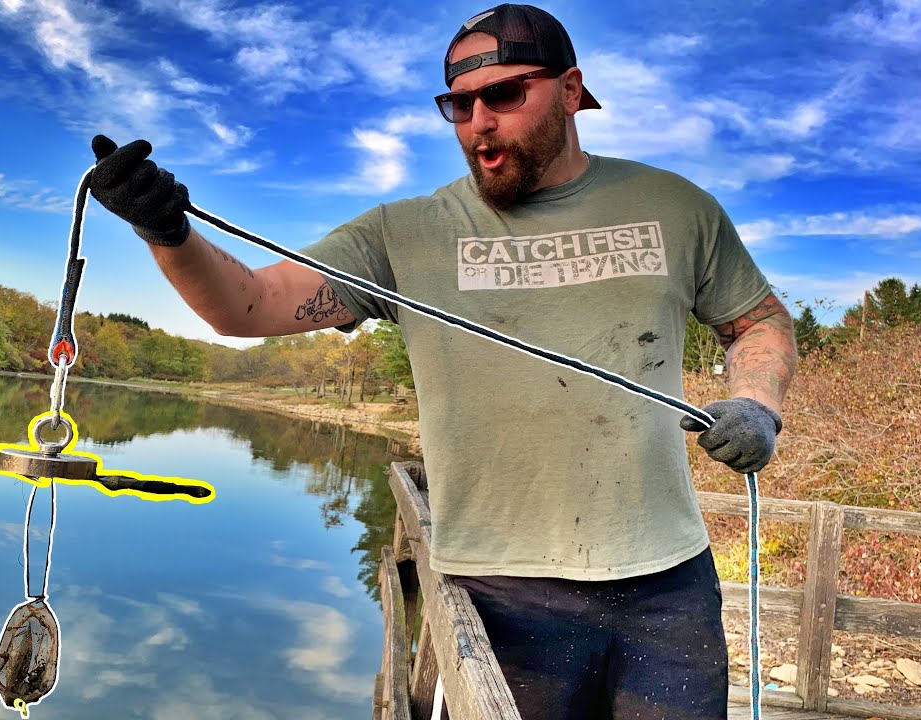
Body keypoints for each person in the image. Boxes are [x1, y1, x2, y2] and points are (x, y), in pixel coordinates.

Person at [88, 4, 798, 717]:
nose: (478, 123)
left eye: (504, 95)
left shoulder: (675, 207)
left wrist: (757, 404)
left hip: (667, 584)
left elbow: (759, 321)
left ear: (572, 90)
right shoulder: (406, 233)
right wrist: (166, 231)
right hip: (497, 592)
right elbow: (247, 305)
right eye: (459, 105)